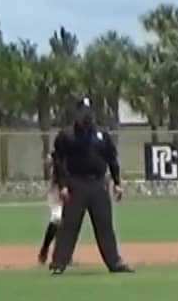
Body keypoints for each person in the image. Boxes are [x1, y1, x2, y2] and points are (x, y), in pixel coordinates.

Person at [47, 97, 132, 275]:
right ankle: (59, 263)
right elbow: (59, 162)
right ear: (76, 113)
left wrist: (117, 183)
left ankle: (114, 262)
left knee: (105, 225)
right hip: (76, 183)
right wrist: (62, 185)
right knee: (69, 226)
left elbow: (112, 160)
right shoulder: (67, 135)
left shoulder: (101, 135)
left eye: (88, 112)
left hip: (99, 184)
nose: (86, 115)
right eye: (82, 112)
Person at [38, 154, 63, 267]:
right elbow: (48, 160)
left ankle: (62, 253)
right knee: (57, 218)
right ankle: (45, 248)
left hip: (71, 191)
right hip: (56, 192)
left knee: (66, 222)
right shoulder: (61, 150)